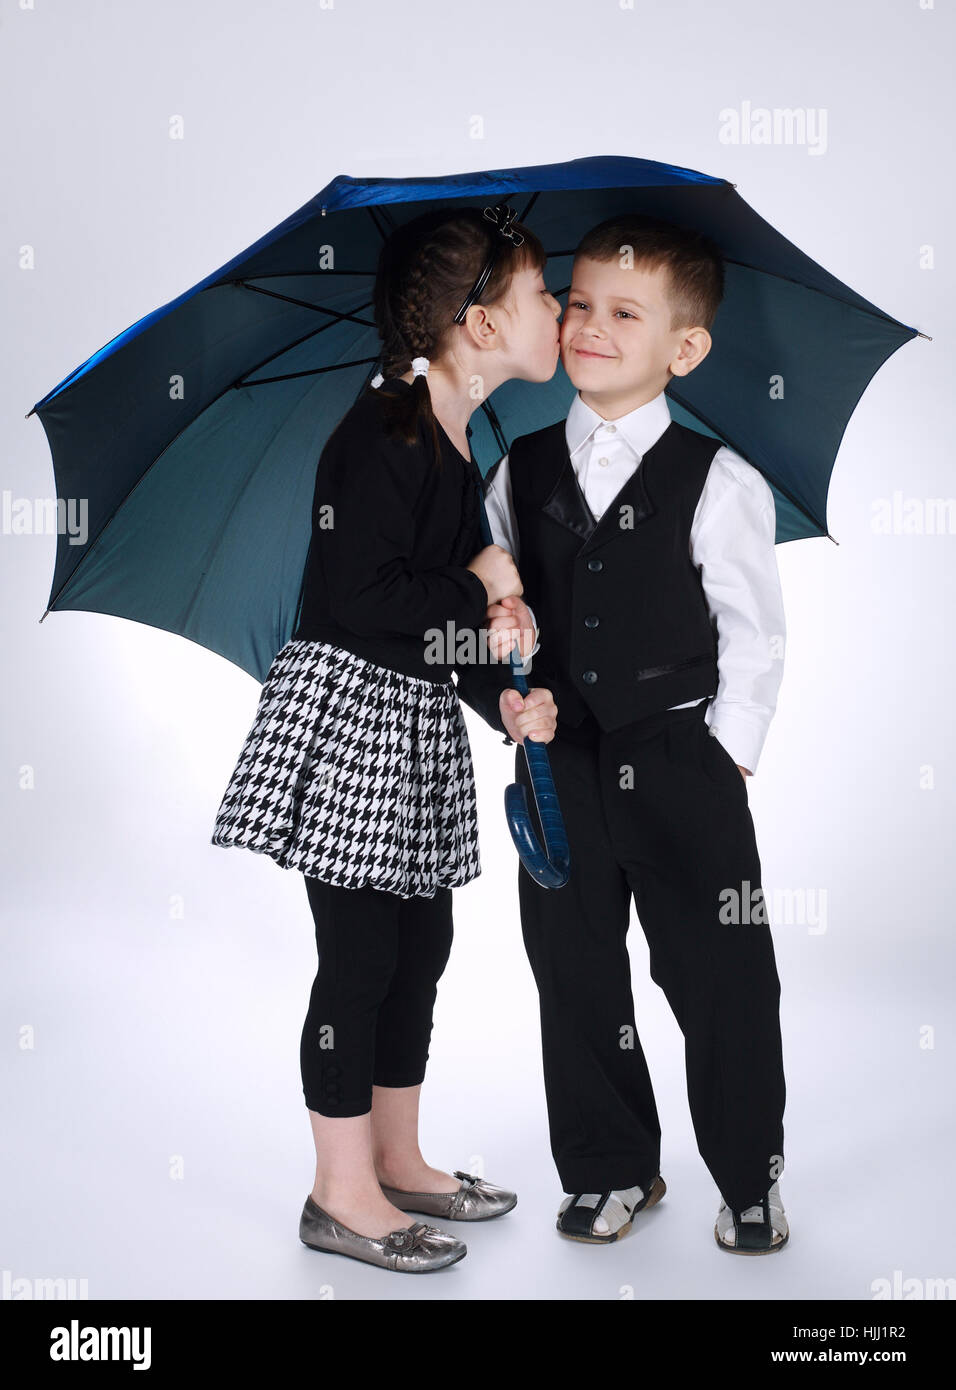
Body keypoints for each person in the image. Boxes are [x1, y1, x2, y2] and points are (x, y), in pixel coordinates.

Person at [210, 203, 560, 1274]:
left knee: (422, 948)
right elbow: (361, 596)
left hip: (406, 720)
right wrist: (480, 578)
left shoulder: (454, 440)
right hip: (351, 721)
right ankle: (338, 1191)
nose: (557, 311)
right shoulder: (387, 425)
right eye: (542, 296)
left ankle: (397, 1158)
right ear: (478, 324)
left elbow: (427, 618)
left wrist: (492, 674)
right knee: (358, 956)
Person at [455, 213, 789, 1254]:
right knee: (575, 968)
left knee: (720, 971)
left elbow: (753, 632)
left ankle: (747, 1175)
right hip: (559, 761)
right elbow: (496, 622)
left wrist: (723, 752)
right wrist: (501, 651)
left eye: (624, 312)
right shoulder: (516, 476)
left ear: (681, 348)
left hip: (680, 759)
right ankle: (610, 1167)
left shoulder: (716, 479)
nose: (590, 325)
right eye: (579, 303)